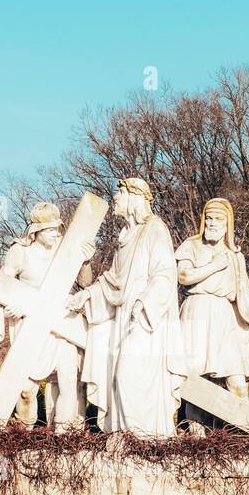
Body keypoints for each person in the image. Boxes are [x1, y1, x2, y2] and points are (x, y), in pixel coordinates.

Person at [67, 178, 186, 436]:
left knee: (129, 373)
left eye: (119, 194)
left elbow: (165, 273)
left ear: (135, 197)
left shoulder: (155, 228)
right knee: (117, 377)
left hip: (146, 317)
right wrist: (86, 295)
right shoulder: (125, 237)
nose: (116, 199)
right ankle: (125, 434)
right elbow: (112, 281)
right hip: (123, 314)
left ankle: (142, 436)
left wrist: (145, 301)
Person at [0, 201, 86, 428]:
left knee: (69, 382)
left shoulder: (65, 249)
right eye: (50, 230)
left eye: (57, 229)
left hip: (62, 323)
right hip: (30, 325)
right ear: (36, 231)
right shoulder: (20, 252)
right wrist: (15, 305)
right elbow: (2, 285)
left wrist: (86, 262)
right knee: (25, 389)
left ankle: (65, 434)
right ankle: (24, 432)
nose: (55, 234)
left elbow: (84, 281)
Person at [175, 197, 249, 406]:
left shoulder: (235, 256)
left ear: (227, 224)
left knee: (236, 379)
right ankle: (195, 424)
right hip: (196, 311)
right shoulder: (191, 245)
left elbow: (244, 296)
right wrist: (214, 266)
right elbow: (183, 276)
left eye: (218, 219)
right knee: (195, 376)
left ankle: (245, 424)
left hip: (224, 316)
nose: (212, 223)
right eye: (209, 218)